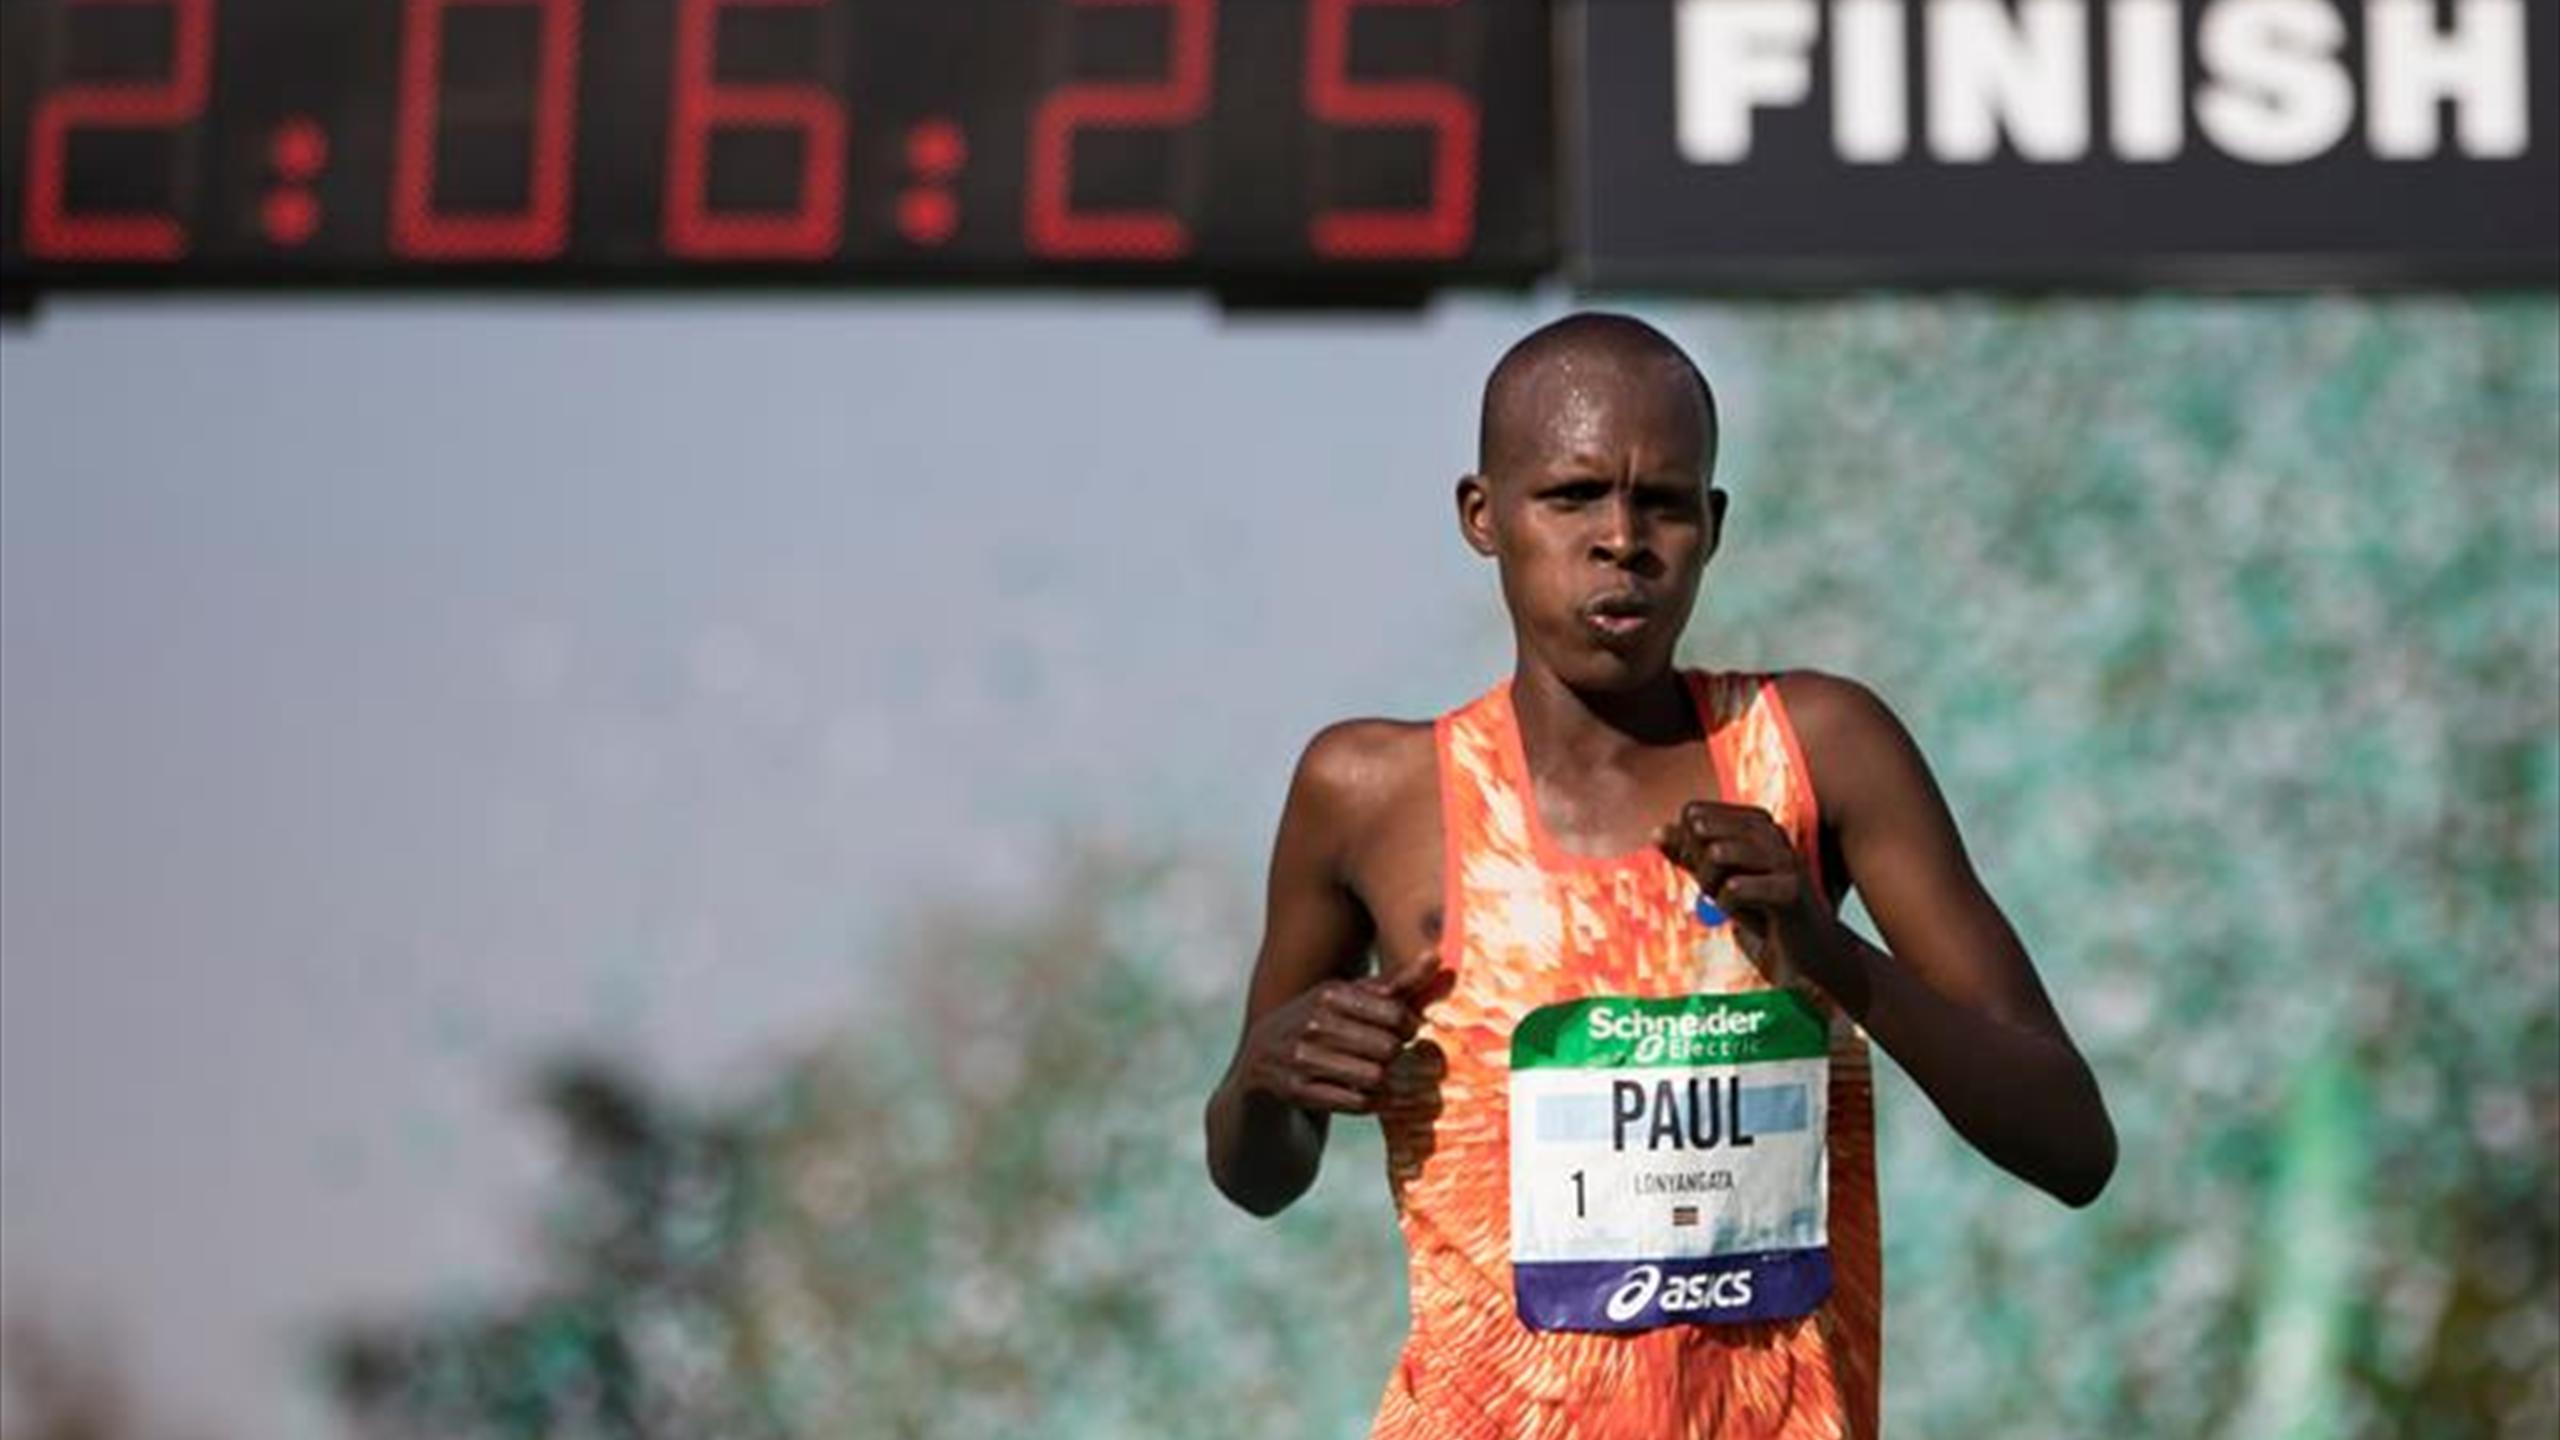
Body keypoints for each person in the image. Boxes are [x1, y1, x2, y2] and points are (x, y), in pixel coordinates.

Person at [1202, 313, 2117, 1439]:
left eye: (1664, 504)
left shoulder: (1818, 750)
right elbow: (1258, 1175)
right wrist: (1263, 1078)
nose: (1621, 540)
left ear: (1712, 526)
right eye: (1573, 496)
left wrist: (1825, 955)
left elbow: (2073, 1146)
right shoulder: (1372, 793)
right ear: (1482, 517)